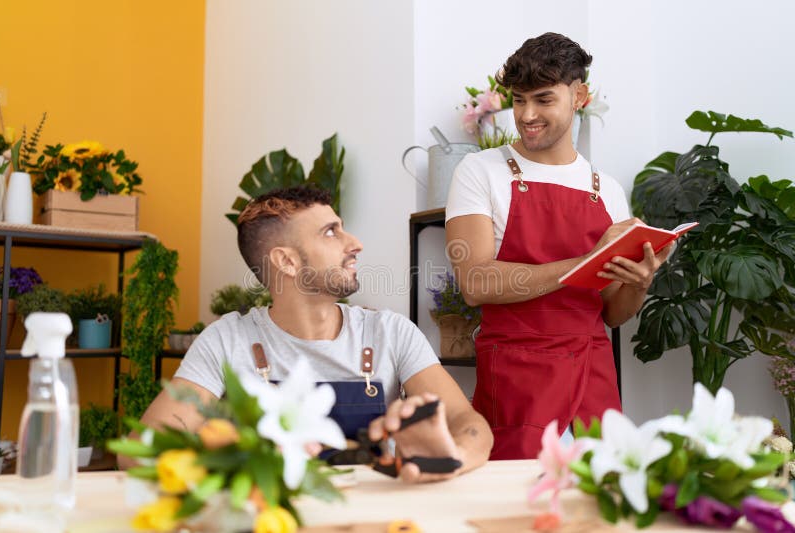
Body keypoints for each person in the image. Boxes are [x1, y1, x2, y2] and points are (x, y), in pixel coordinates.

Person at [129, 186, 493, 482]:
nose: (355, 243)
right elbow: (142, 449)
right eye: (331, 232)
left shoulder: (391, 333)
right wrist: (232, 456)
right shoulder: (227, 341)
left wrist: (449, 459)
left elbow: (469, 424)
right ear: (286, 261)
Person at [445, 32, 671, 460]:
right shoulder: (481, 171)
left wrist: (639, 282)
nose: (527, 115)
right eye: (518, 100)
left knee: (598, 511)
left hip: (594, 380)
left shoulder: (607, 191)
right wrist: (587, 260)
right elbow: (475, 282)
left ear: (579, 95)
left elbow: (611, 312)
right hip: (518, 381)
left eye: (543, 99)